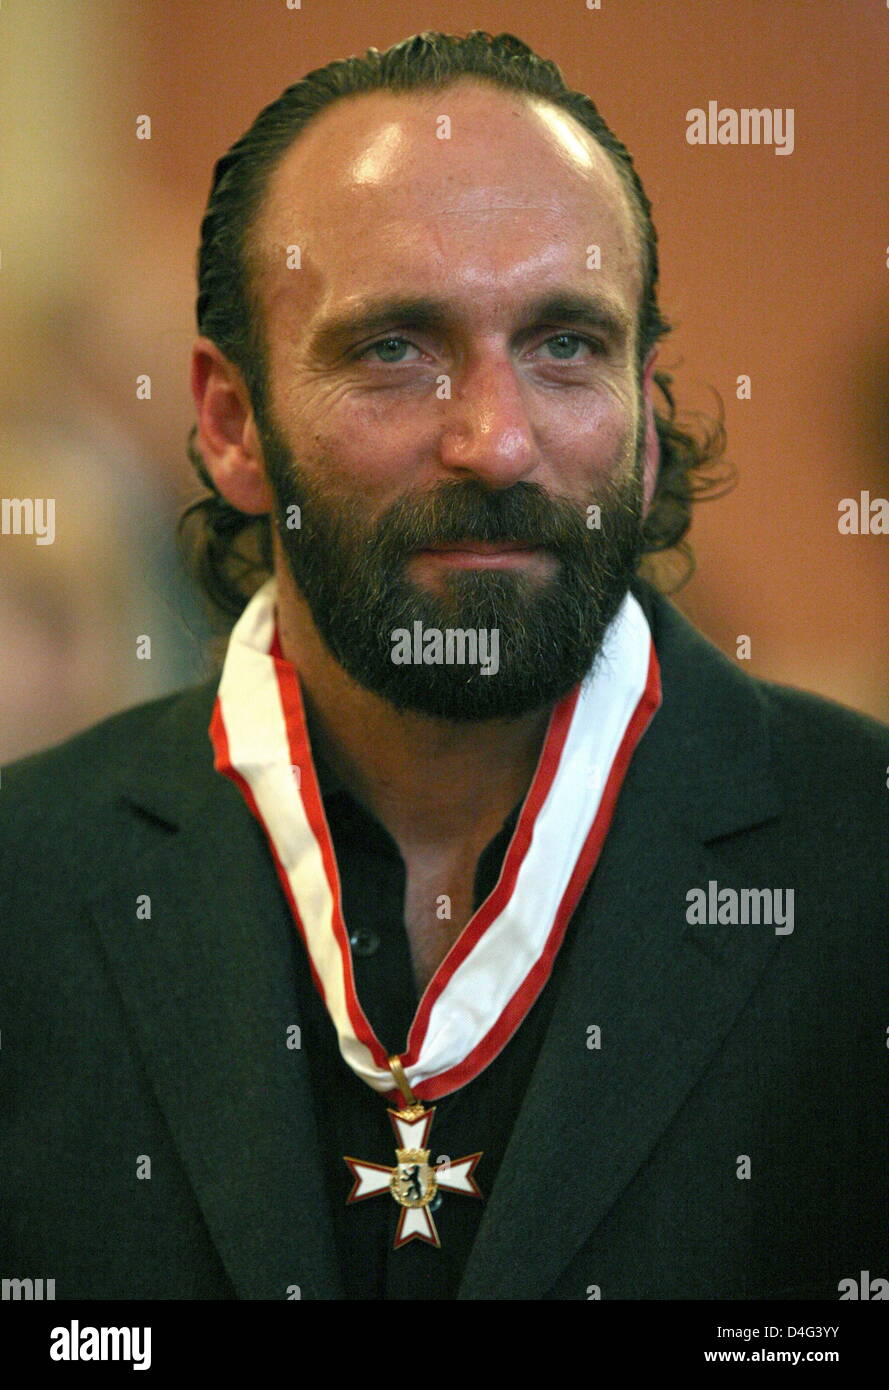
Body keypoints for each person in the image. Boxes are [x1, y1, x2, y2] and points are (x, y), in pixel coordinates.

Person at [1, 30, 886, 1303]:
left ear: (644, 426)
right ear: (229, 422)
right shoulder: (27, 889)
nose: (497, 441)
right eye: (394, 349)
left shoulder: (863, 864)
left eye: (565, 344)